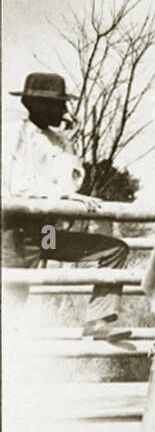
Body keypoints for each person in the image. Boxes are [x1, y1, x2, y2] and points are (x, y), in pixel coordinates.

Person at [1, 72, 130, 341]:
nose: (63, 110)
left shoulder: (60, 140)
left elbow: (72, 184)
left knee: (114, 250)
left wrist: (69, 143)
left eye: (63, 104)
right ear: (34, 104)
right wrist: (61, 196)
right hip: (14, 232)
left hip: (46, 231)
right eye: (56, 104)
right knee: (12, 299)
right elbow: (16, 185)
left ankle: (99, 321)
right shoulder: (13, 133)